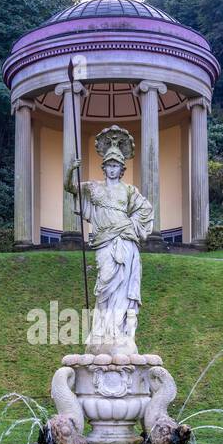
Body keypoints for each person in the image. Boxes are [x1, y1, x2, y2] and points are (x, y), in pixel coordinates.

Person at [64, 125, 154, 354]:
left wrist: (131, 224)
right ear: (103, 167)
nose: (112, 169)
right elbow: (70, 188)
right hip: (104, 242)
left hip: (125, 241)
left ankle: (120, 332)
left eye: (116, 166)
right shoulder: (93, 187)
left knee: (123, 287)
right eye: (109, 166)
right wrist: (71, 170)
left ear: (122, 169)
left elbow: (146, 209)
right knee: (104, 284)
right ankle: (100, 331)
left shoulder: (129, 191)